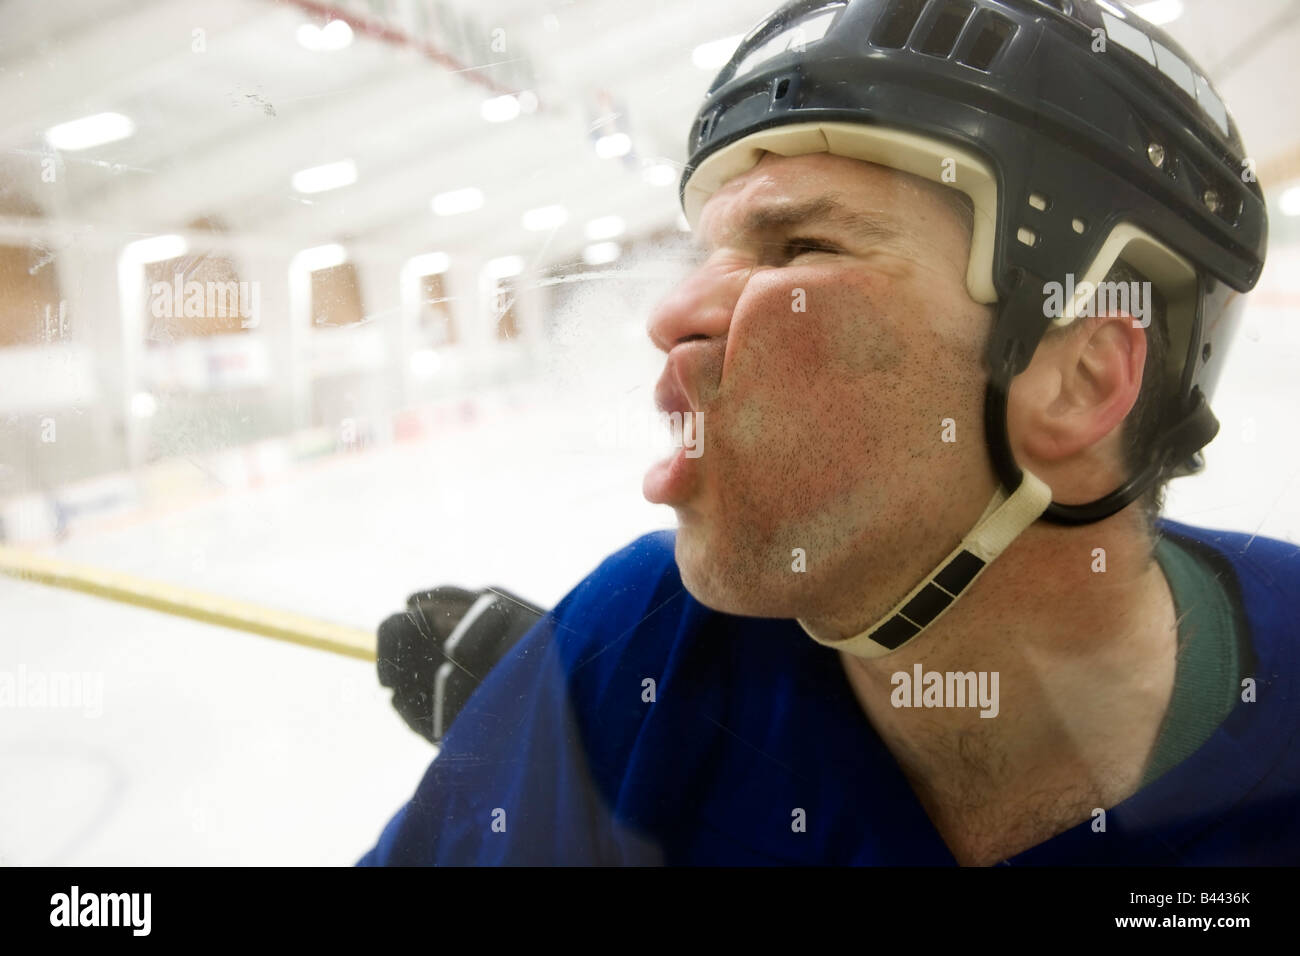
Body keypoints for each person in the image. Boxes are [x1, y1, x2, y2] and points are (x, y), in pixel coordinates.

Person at [360, 0, 1297, 865]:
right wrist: (557, 742)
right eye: (706, 254)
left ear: (1076, 378)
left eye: (802, 248)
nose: (672, 312)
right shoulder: (639, 641)